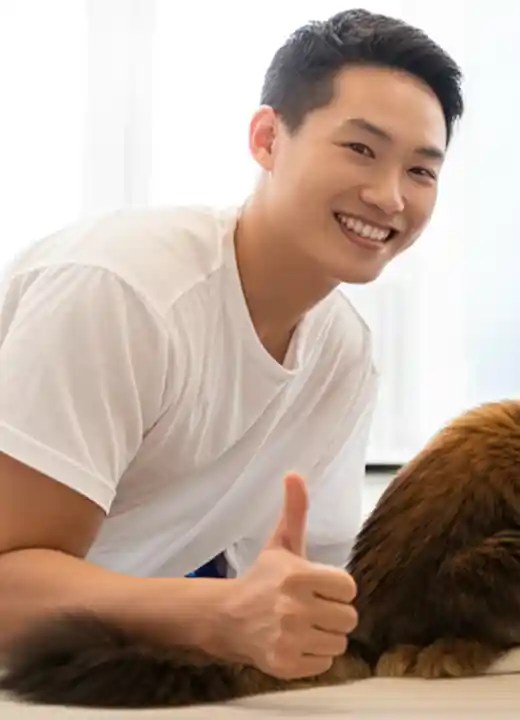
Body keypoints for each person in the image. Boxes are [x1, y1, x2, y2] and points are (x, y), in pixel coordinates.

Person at [0, 9, 463, 681]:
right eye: (360, 149)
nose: (389, 196)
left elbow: (300, 584)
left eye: (421, 171)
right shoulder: (123, 294)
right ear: (267, 139)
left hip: (80, 673)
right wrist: (217, 614)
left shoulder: (343, 353)